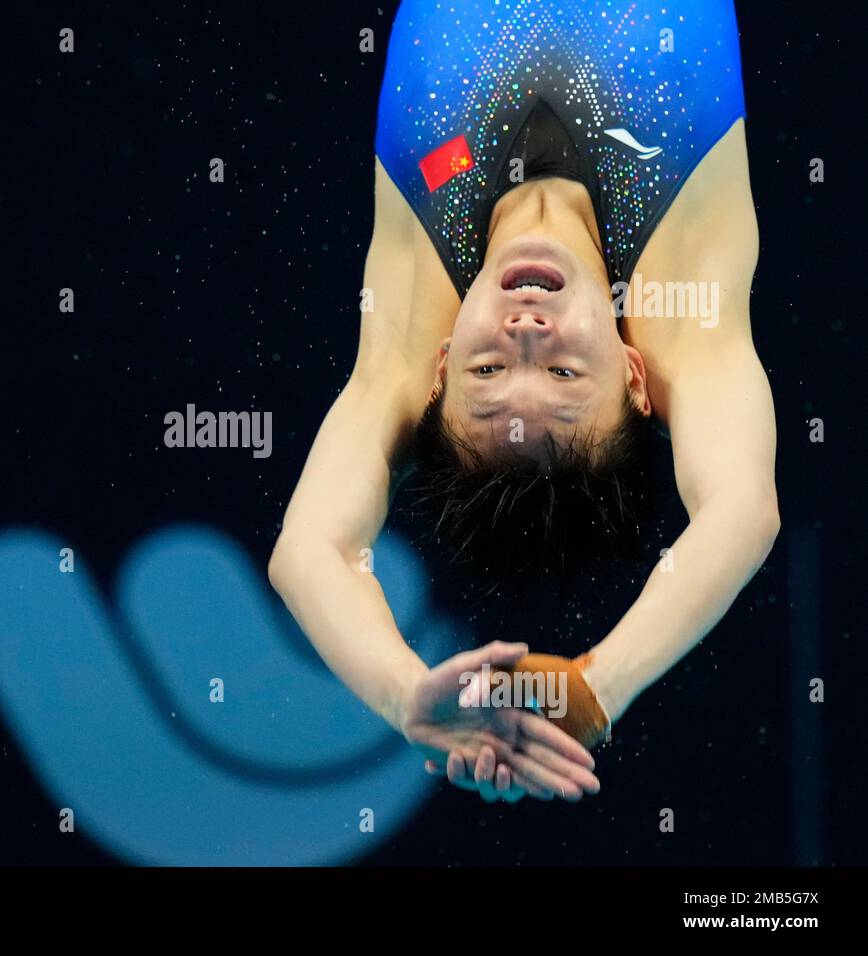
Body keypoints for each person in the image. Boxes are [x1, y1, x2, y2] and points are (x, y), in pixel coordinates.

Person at [269, 0, 778, 802]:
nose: (528, 334)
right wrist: (599, 683)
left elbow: (308, 551)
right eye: (567, 376)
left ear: (439, 367)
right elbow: (742, 509)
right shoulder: (685, 308)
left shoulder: (408, 327)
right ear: (635, 376)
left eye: (486, 372)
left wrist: (405, 697)